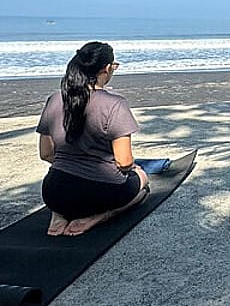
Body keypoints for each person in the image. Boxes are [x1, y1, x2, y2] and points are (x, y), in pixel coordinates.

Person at [36, 41, 150, 236]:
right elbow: (124, 162)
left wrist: (71, 164)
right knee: (143, 182)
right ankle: (99, 217)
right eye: (114, 66)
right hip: (100, 194)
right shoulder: (115, 104)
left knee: (67, 187)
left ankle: (59, 215)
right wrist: (135, 169)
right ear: (106, 69)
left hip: (53, 193)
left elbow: (46, 153)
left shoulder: (55, 99)